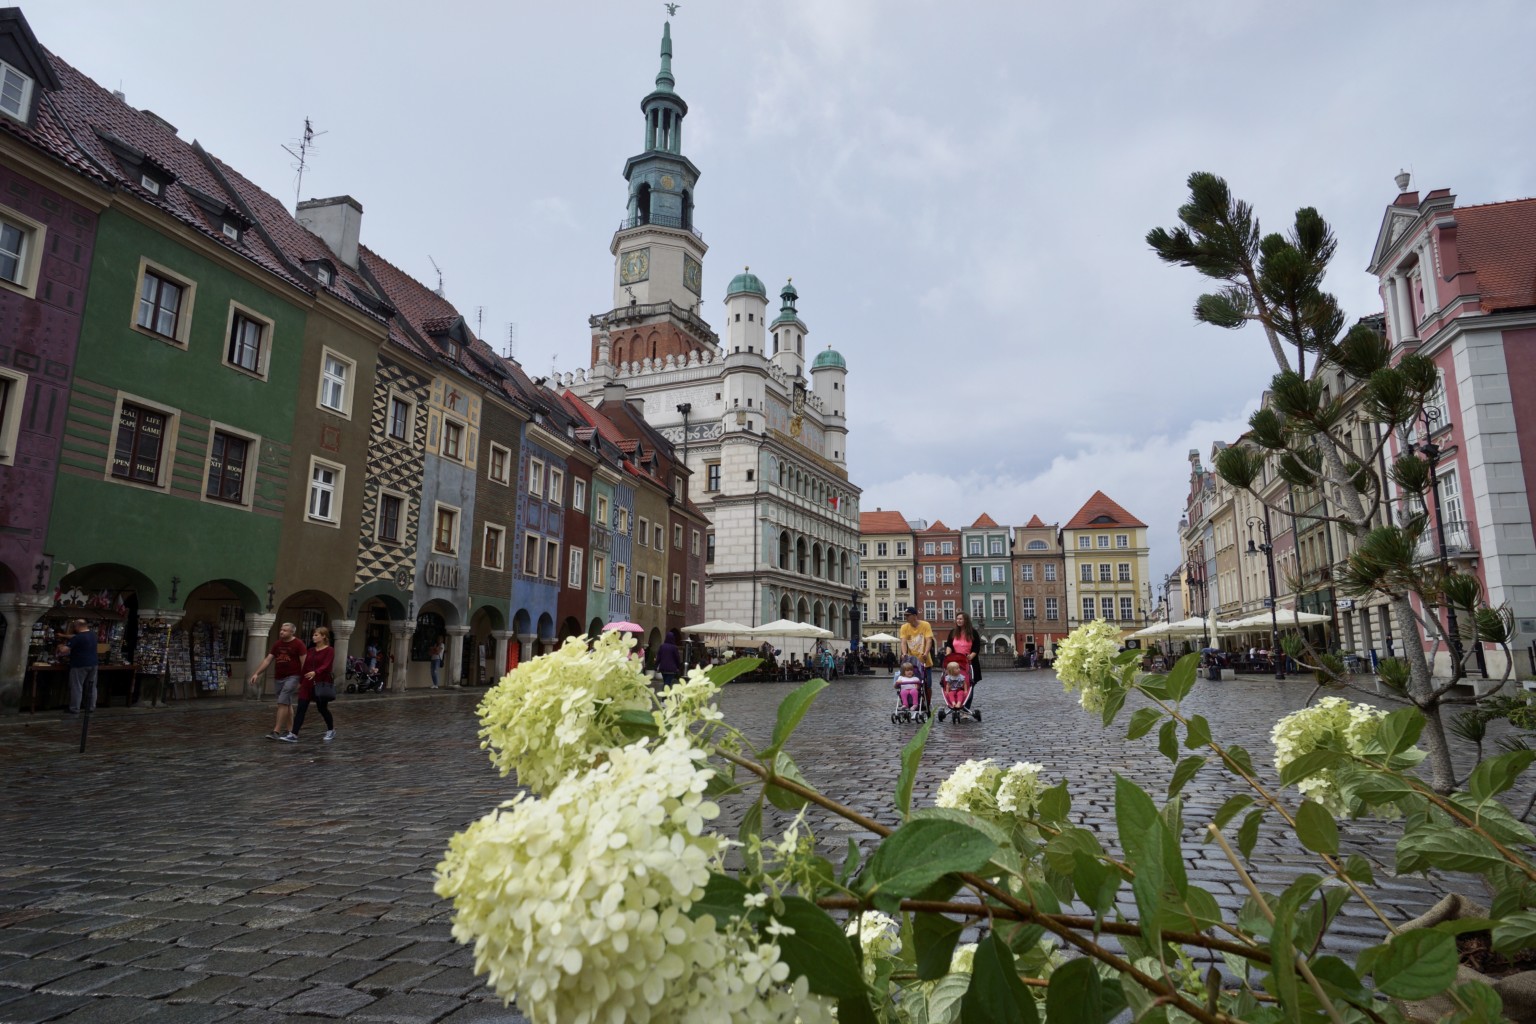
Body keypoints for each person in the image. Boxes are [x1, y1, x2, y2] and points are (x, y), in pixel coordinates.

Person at [249, 622, 307, 740]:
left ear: (292, 632)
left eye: (285, 630)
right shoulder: (277, 644)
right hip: (279, 677)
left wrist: (303, 679)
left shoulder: (298, 644)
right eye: (281, 629)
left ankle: (276, 731)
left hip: (293, 676)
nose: (281, 632)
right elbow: (268, 660)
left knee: (282, 702)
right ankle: (290, 730)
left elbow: (304, 662)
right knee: (287, 703)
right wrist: (256, 673)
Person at [283, 625, 336, 743]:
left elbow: (326, 665)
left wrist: (316, 672)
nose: (313, 637)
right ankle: (294, 734)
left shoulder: (329, 650)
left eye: (316, 635)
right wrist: (301, 681)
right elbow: (305, 666)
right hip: (308, 682)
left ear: (323, 636)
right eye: (313, 635)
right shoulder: (311, 650)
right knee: (301, 707)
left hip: (321, 682)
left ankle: (331, 730)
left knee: (322, 708)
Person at [945, 611, 984, 710]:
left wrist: (971, 656)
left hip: (969, 662)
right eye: (957, 619)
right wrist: (947, 655)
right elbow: (949, 645)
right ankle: (955, 704)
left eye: (961, 619)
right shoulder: (953, 632)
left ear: (966, 620)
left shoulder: (972, 632)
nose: (959, 621)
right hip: (955, 663)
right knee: (955, 685)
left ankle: (966, 708)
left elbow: (976, 647)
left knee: (968, 685)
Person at [899, 607, 935, 708]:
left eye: (908, 615)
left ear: (914, 616)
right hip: (912, 663)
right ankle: (916, 702)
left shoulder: (925, 625)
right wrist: (904, 653)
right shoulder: (904, 627)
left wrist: (926, 653)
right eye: (905, 615)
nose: (905, 617)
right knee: (913, 684)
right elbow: (903, 642)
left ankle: (928, 702)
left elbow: (929, 640)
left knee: (927, 685)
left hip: (925, 662)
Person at [63, 619, 98, 715]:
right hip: (93, 664)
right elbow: (76, 637)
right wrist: (64, 636)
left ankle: (74, 708)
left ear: (78, 626)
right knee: (92, 686)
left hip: (79, 664)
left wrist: (60, 647)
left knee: (77, 686)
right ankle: (91, 706)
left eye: (74, 627)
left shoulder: (78, 638)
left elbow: (64, 650)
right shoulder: (93, 635)